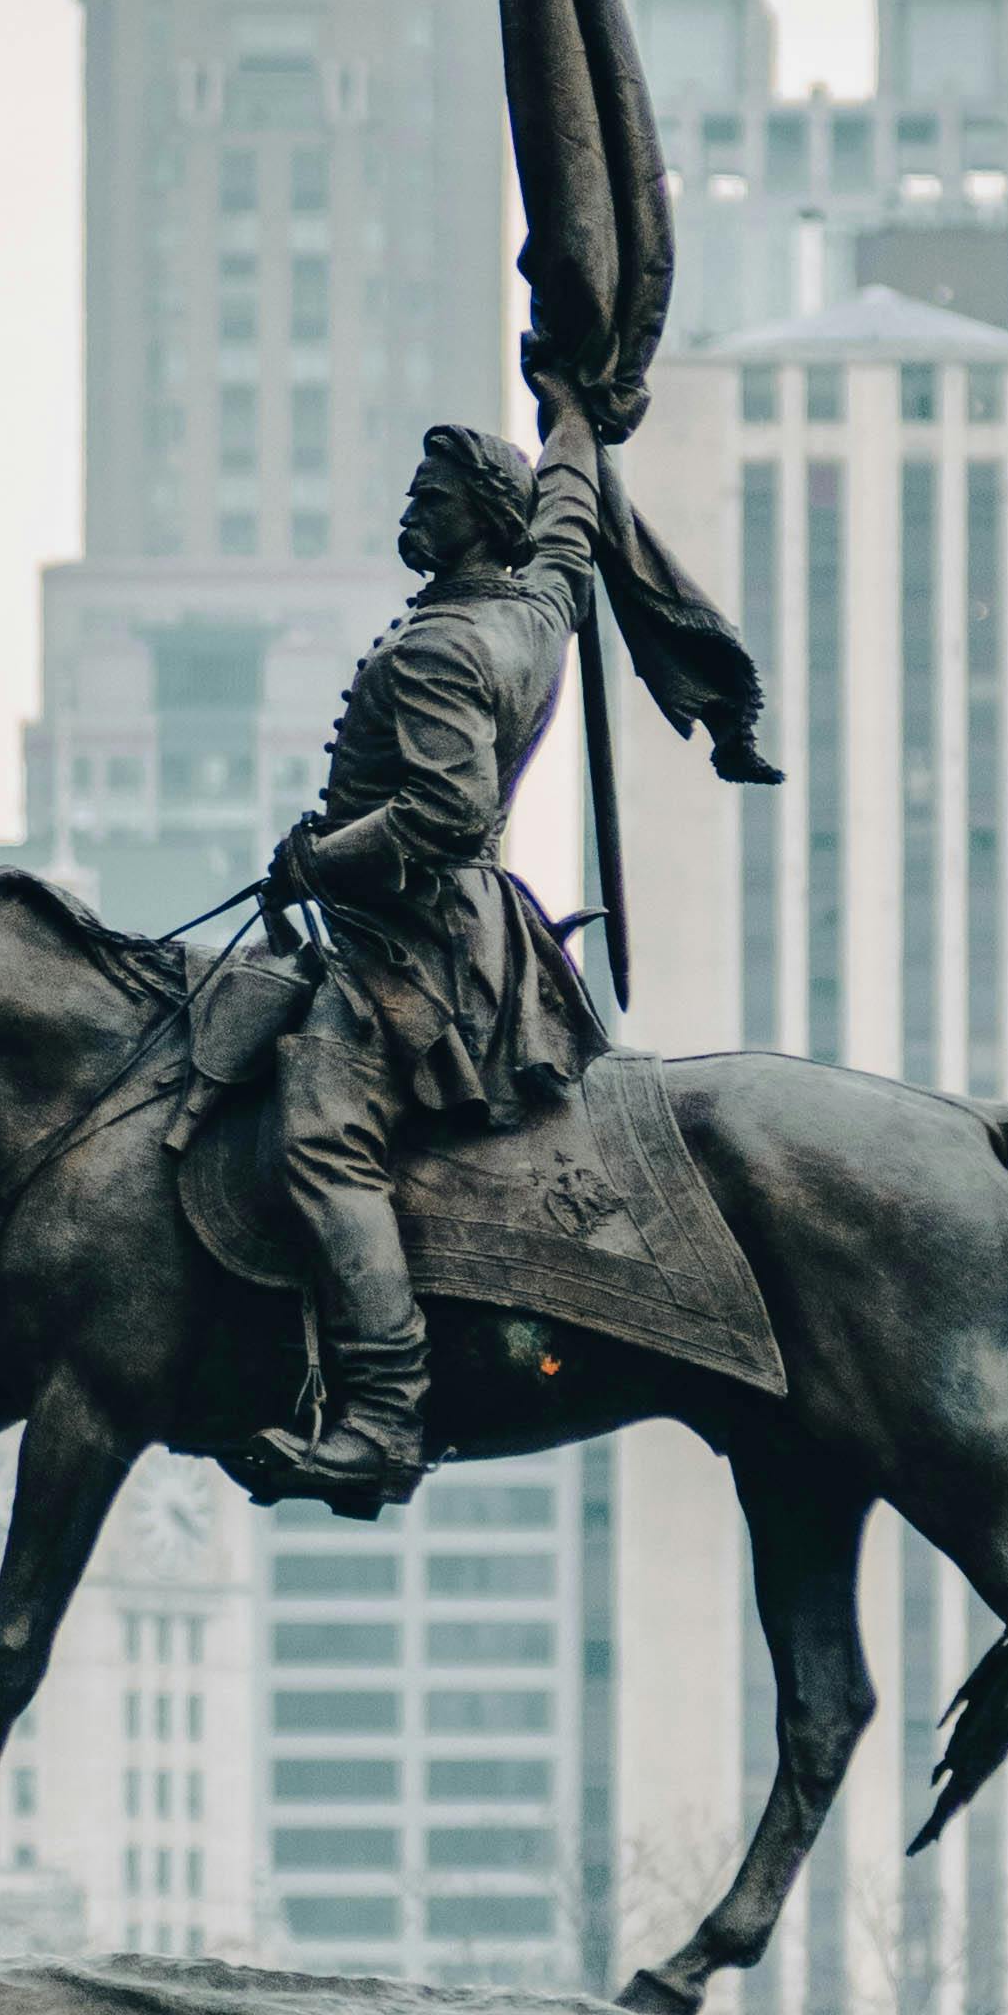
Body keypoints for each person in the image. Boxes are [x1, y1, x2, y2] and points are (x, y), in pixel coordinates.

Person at [250, 390, 611, 1514]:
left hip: (418, 944)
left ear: (477, 516)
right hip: (468, 921)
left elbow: (447, 811)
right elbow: (568, 533)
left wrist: (320, 861)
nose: (411, 507)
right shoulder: (537, 609)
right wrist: (575, 422)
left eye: (431, 496)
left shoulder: (446, 648)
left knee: (321, 1138)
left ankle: (380, 1412)